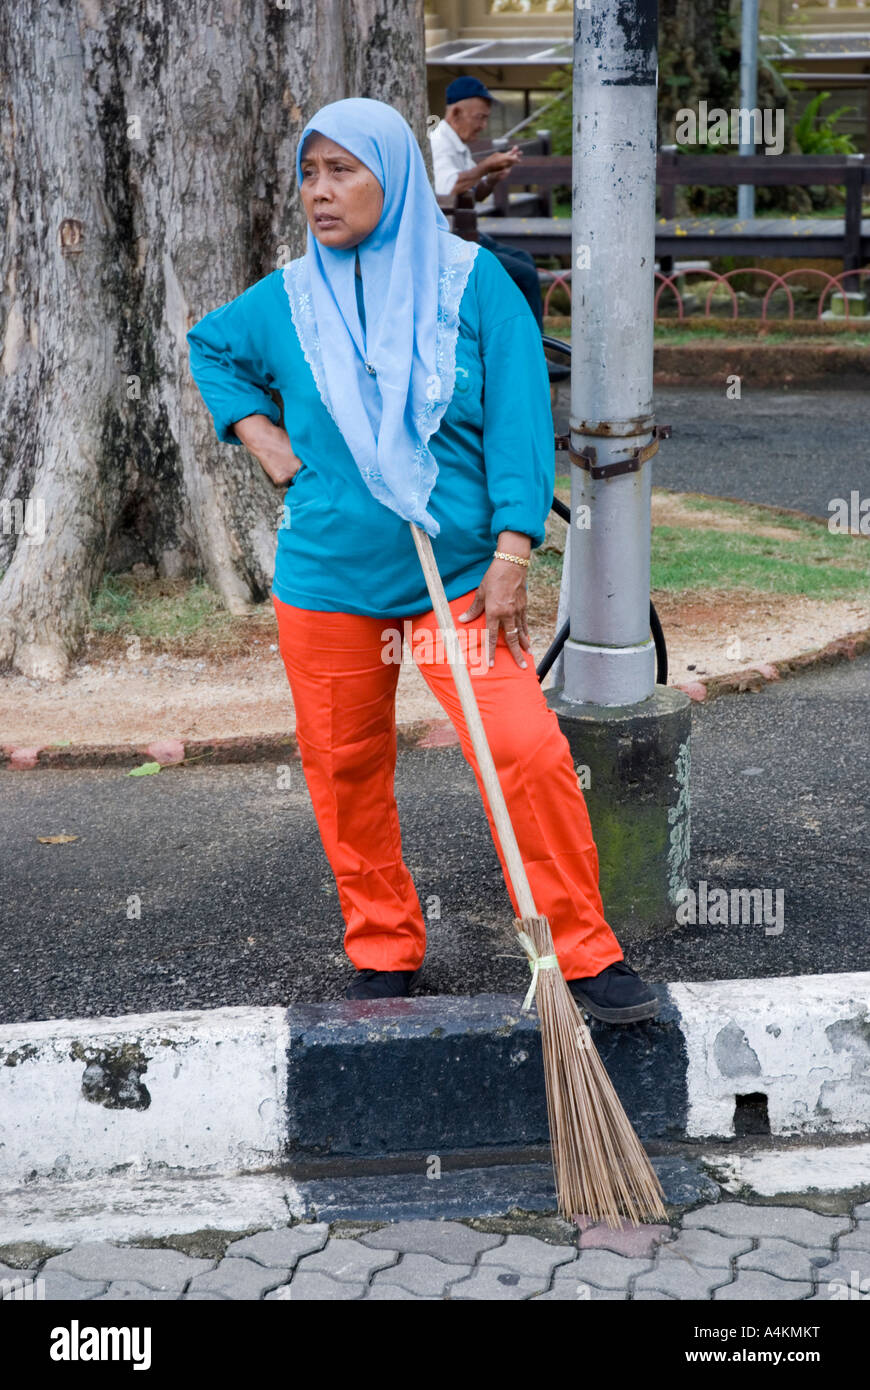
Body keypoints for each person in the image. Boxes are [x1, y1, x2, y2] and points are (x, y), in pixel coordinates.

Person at [186, 96, 658, 1023]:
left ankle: (584, 952)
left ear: (394, 176)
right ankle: (384, 945)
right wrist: (262, 438)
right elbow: (213, 349)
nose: (320, 194)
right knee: (344, 764)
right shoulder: (286, 297)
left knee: (524, 749)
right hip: (328, 580)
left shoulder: (475, 284)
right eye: (308, 174)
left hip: (464, 582)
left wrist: (516, 548)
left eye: (342, 171)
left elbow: (522, 422)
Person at [429, 76, 545, 330]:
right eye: (479, 117)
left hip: (466, 232)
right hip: (451, 238)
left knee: (523, 259)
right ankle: (531, 345)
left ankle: (524, 335)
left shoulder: (457, 145)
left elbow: (474, 194)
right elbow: (448, 190)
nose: (483, 125)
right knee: (524, 275)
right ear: (457, 112)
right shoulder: (439, 143)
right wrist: (485, 166)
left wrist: (492, 177)